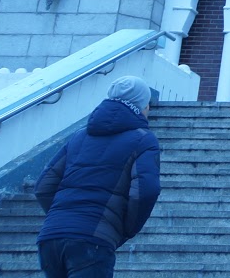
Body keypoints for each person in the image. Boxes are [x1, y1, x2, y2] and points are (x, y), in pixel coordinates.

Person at [35, 75, 161, 278]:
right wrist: (124, 229)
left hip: (51, 237)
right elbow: (145, 191)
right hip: (92, 240)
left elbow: (43, 186)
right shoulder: (143, 139)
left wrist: (63, 218)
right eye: (148, 104)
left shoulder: (79, 136)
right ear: (141, 107)